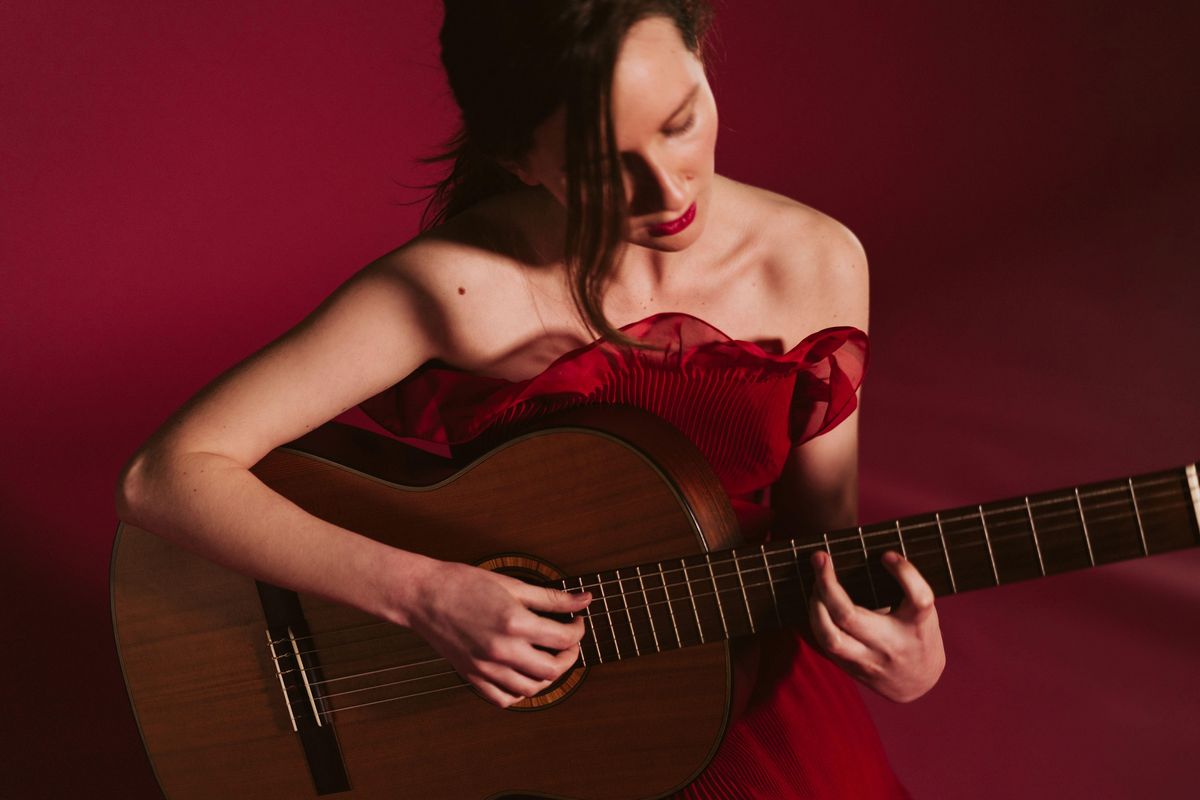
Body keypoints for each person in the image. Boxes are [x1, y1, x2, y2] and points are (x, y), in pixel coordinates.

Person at [116, 1, 944, 796]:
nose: (667, 191)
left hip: (741, 692)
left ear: (702, 54)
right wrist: (422, 595)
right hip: (516, 720)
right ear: (520, 161)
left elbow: (826, 544)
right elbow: (164, 474)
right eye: (597, 168)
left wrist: (902, 657)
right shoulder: (460, 286)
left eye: (682, 119)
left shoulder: (818, 262)